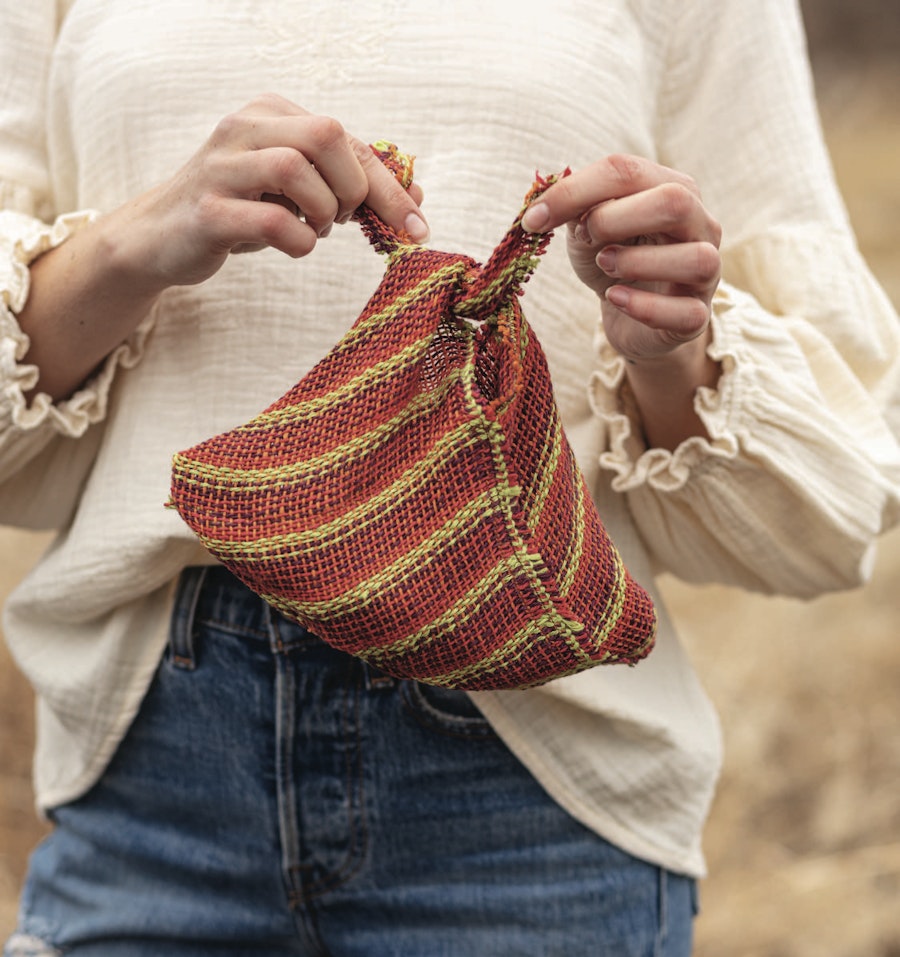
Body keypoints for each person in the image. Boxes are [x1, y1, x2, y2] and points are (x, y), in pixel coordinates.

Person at [2, 1, 898, 954]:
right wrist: (128, 243)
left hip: (532, 803)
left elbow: (827, 521)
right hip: (152, 795)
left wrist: (675, 347)